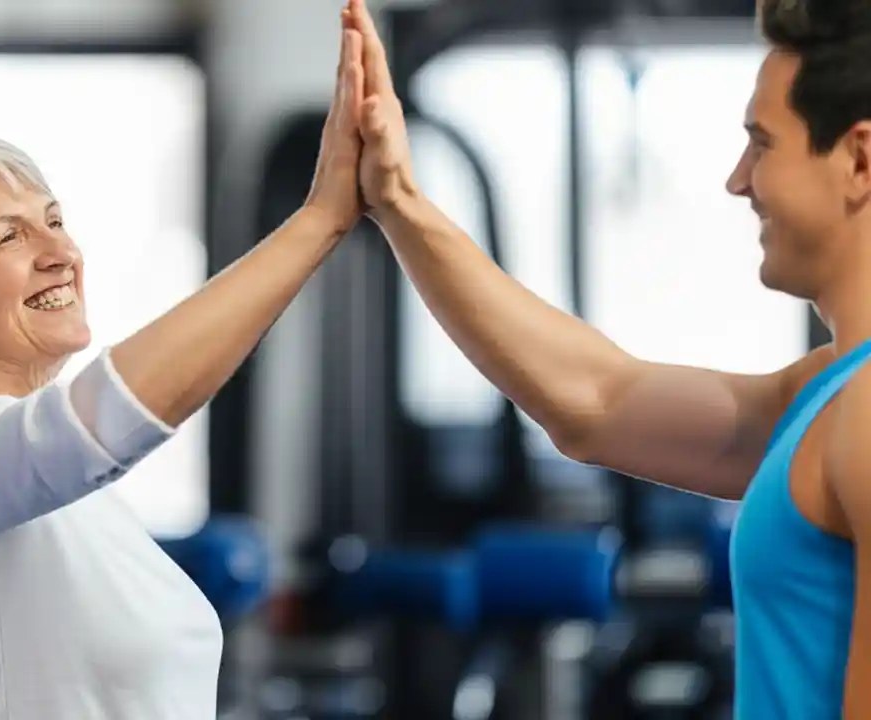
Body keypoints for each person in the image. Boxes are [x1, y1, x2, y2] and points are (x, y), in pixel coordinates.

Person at [0, 10, 366, 718]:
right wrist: (317, 220)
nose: (61, 252)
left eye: (53, 219)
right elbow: (106, 417)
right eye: (8, 236)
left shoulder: (70, 497)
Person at [343, 0, 871, 716]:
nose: (738, 180)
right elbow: (598, 402)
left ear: (860, 160)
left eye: (763, 144)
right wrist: (398, 197)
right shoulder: (829, 397)